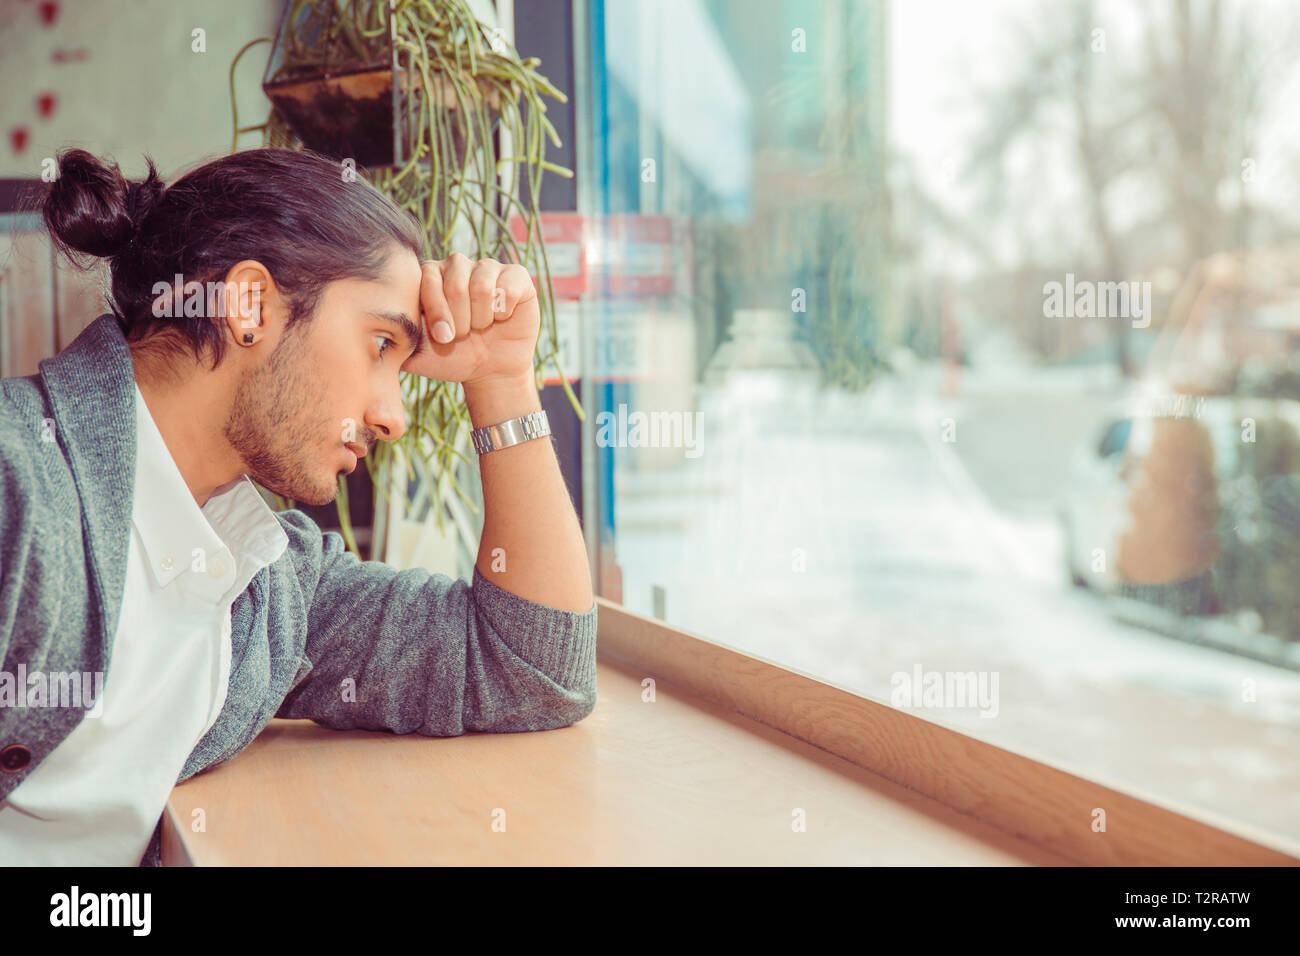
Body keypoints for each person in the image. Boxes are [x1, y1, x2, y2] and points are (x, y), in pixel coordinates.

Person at [0, 147, 598, 865]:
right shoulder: (20, 487)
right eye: (381, 344)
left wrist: (502, 382)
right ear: (249, 307)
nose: (394, 417)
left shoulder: (270, 590)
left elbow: (530, 673)